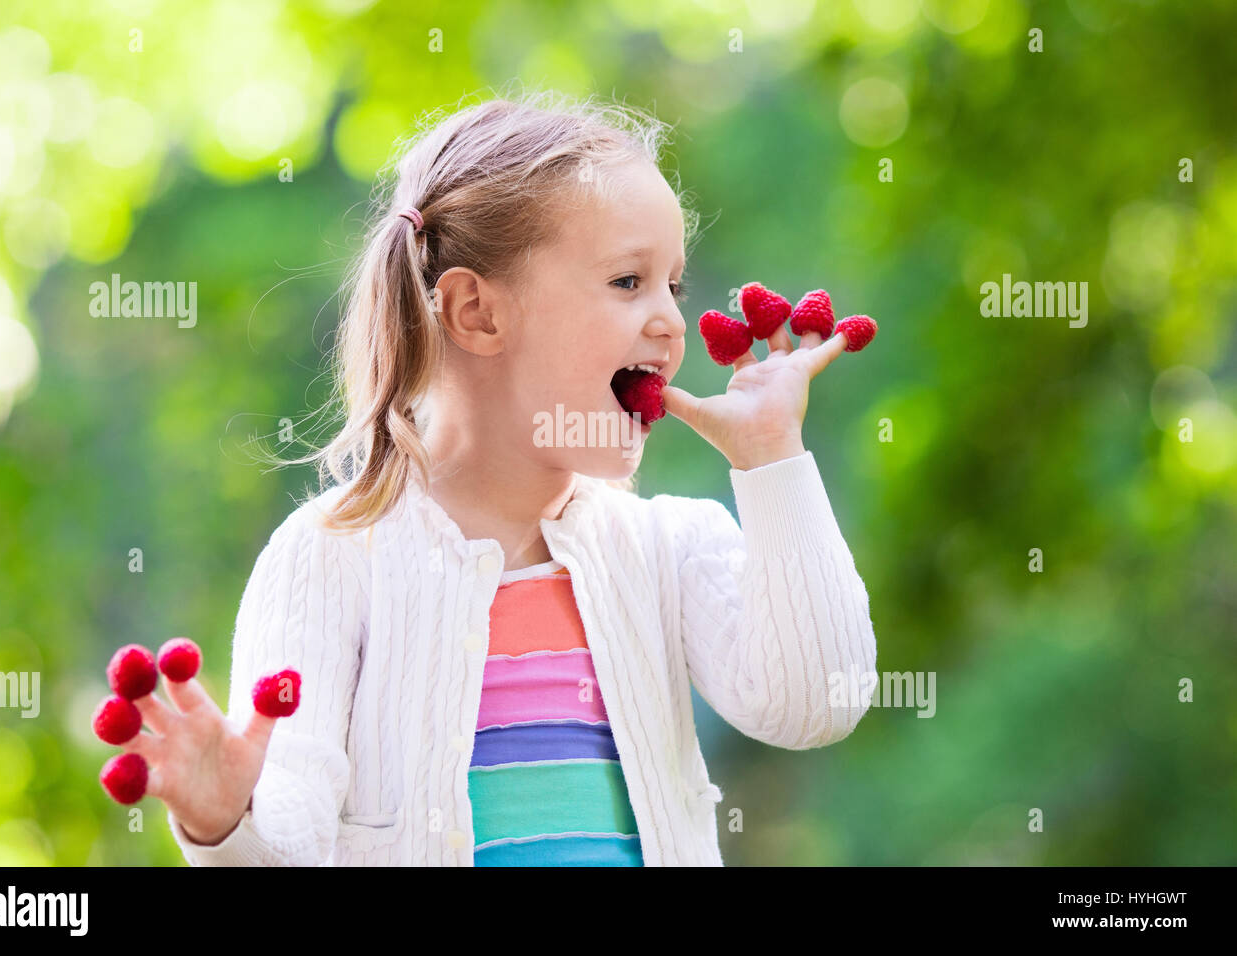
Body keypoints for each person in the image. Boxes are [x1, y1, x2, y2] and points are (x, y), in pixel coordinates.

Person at [116, 86, 878, 865]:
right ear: (476, 312)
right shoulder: (329, 559)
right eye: (628, 282)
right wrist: (223, 826)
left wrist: (772, 460)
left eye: (673, 285)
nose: (672, 322)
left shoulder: (668, 549)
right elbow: (290, 846)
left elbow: (821, 701)